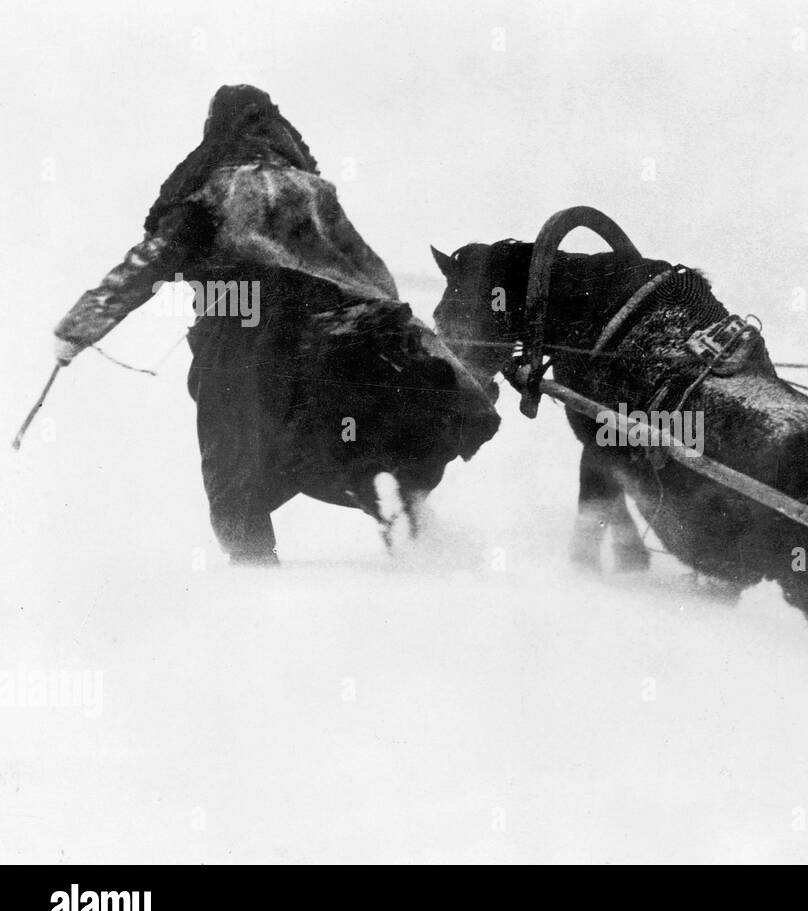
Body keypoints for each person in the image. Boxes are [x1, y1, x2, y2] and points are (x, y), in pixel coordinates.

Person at [51, 85, 499, 564]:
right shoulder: (311, 188)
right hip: (350, 326)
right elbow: (370, 271)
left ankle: (253, 578)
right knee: (354, 435)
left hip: (247, 338)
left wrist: (78, 328)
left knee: (229, 469)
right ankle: (405, 516)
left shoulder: (212, 184)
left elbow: (151, 260)